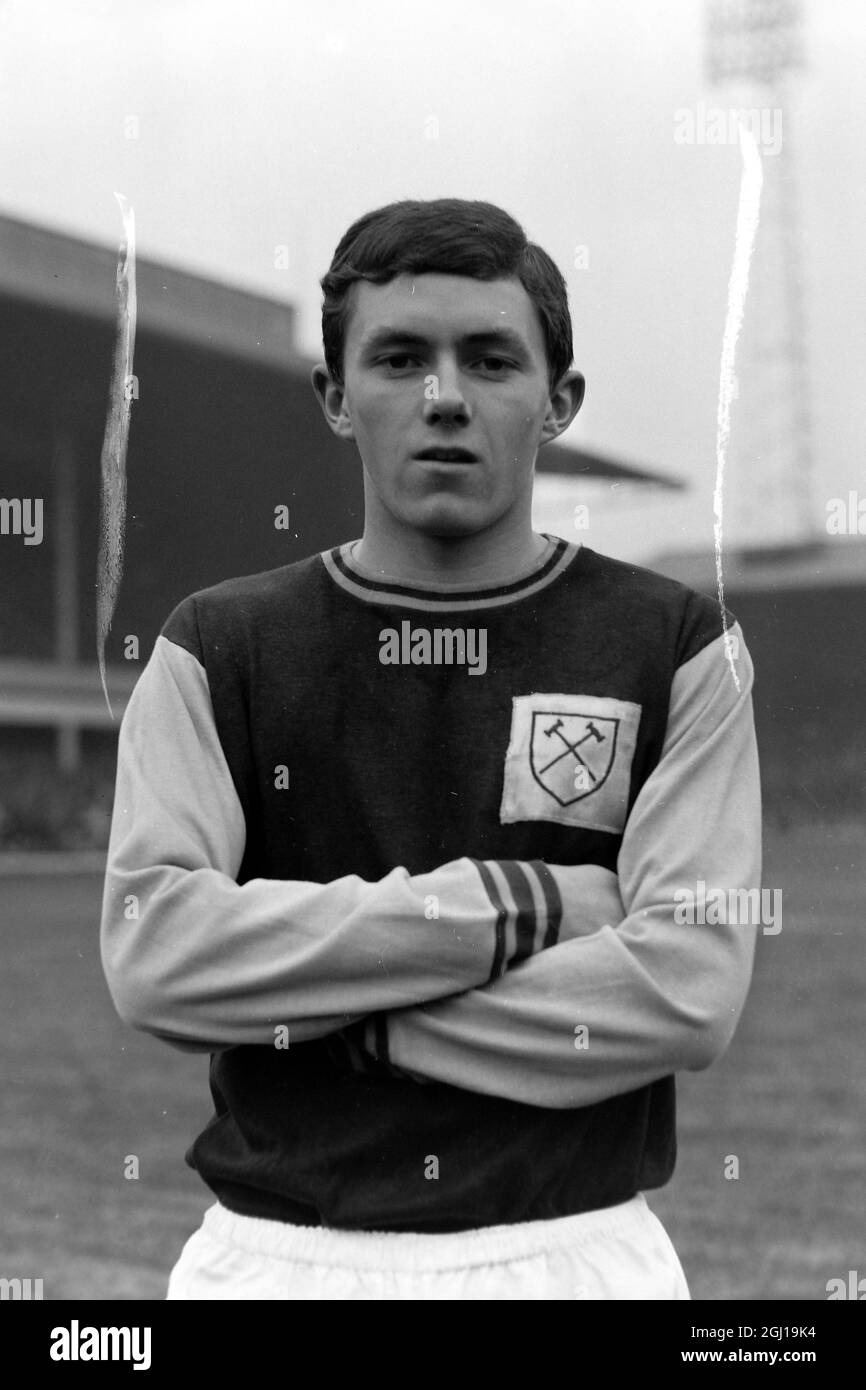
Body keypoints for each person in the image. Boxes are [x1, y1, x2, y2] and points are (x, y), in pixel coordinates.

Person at [100, 197, 761, 1300]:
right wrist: (515, 904)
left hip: (576, 1253)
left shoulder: (677, 645)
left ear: (557, 403)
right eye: (400, 358)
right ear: (334, 397)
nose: (443, 398)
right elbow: (156, 954)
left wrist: (342, 1022)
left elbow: (685, 988)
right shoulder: (216, 646)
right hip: (277, 1259)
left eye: (490, 360)